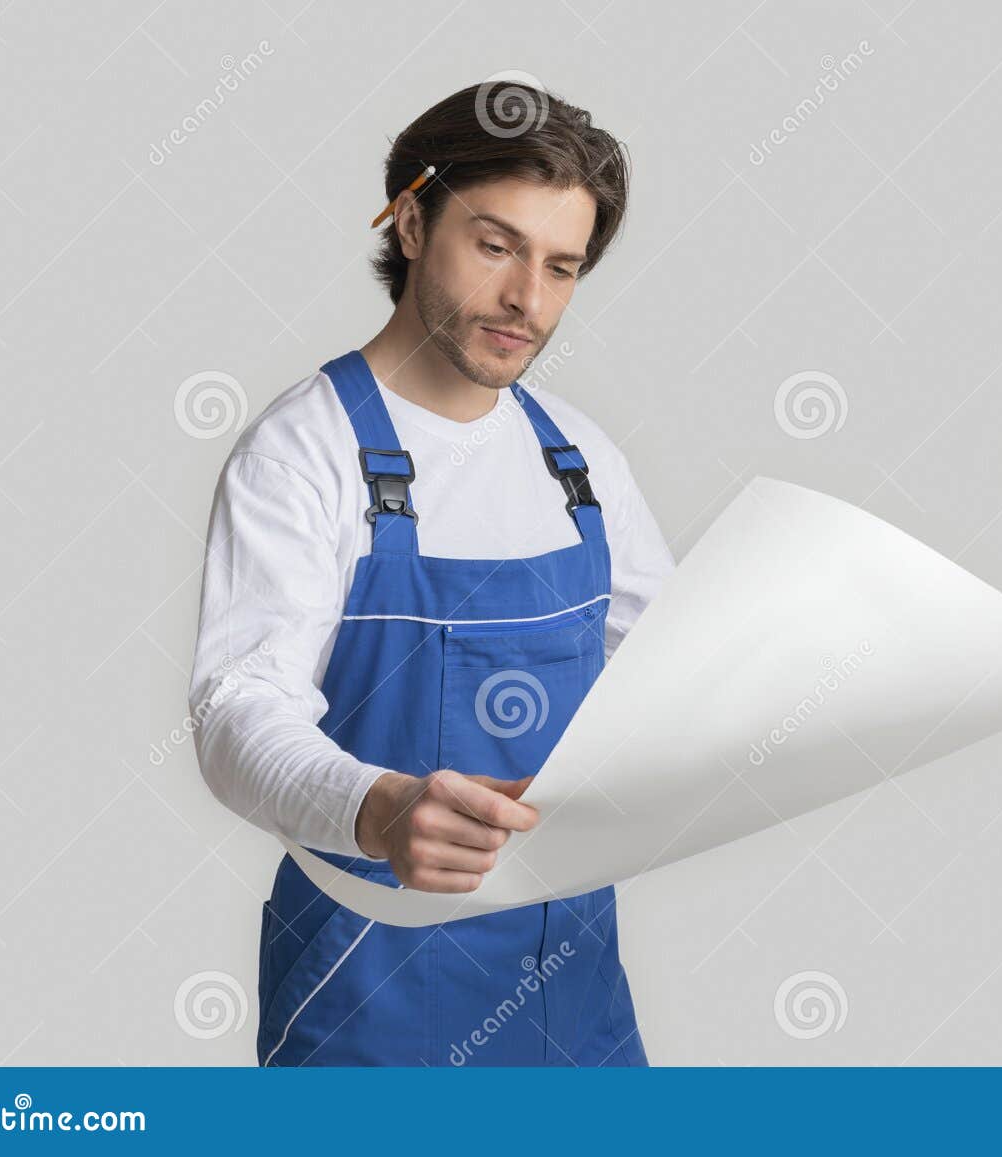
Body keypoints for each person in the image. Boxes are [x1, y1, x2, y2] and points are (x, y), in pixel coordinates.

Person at [189, 81, 671, 1066]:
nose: (528, 300)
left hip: (579, 999)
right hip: (373, 1000)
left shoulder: (578, 459)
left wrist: (898, 648)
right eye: (495, 246)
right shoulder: (304, 452)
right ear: (411, 222)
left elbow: (687, 665)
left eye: (562, 267)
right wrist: (378, 809)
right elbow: (238, 709)